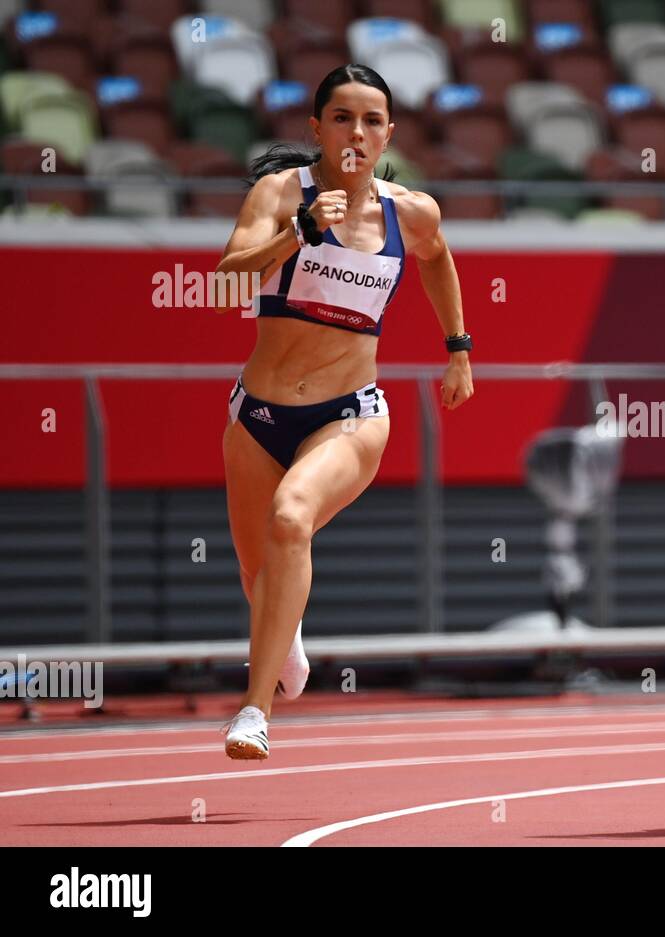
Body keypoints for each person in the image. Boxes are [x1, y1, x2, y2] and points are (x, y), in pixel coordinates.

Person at [214, 64, 474, 758]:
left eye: (372, 120)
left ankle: (254, 708)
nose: (356, 132)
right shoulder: (280, 193)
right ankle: (287, 632)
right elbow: (226, 276)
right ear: (316, 129)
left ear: (389, 133)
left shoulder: (410, 211)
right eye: (341, 118)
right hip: (258, 417)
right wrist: (295, 233)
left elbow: (437, 259)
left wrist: (458, 348)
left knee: (291, 516)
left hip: (351, 413)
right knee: (258, 569)